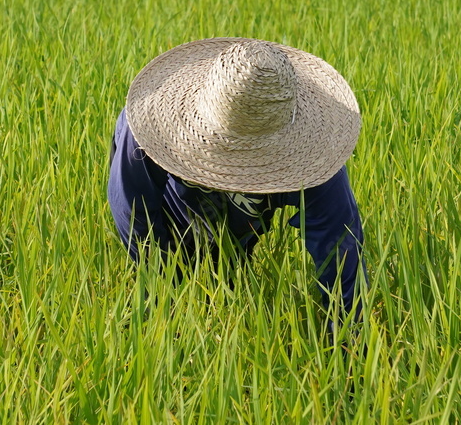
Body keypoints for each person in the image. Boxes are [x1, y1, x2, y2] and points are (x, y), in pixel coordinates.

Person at [107, 37, 366, 321]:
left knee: (229, 279)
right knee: (161, 313)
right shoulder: (149, 127)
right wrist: (167, 285)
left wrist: (349, 342)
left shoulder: (316, 158)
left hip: (245, 222)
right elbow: (130, 209)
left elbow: (340, 247)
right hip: (172, 217)